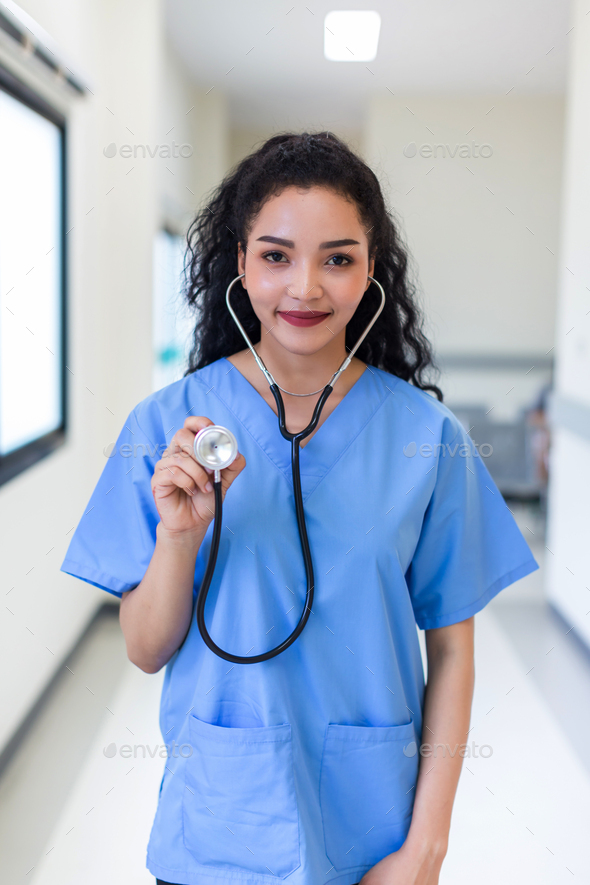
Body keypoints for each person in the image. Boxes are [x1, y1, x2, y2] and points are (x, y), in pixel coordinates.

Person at [60, 132, 539, 885]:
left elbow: (451, 650)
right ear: (241, 264)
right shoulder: (168, 426)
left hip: (370, 829)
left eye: (338, 257)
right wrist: (180, 537)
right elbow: (145, 648)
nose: (306, 287)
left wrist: (426, 847)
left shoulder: (426, 438)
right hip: (219, 821)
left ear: (372, 269)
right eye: (277, 255)